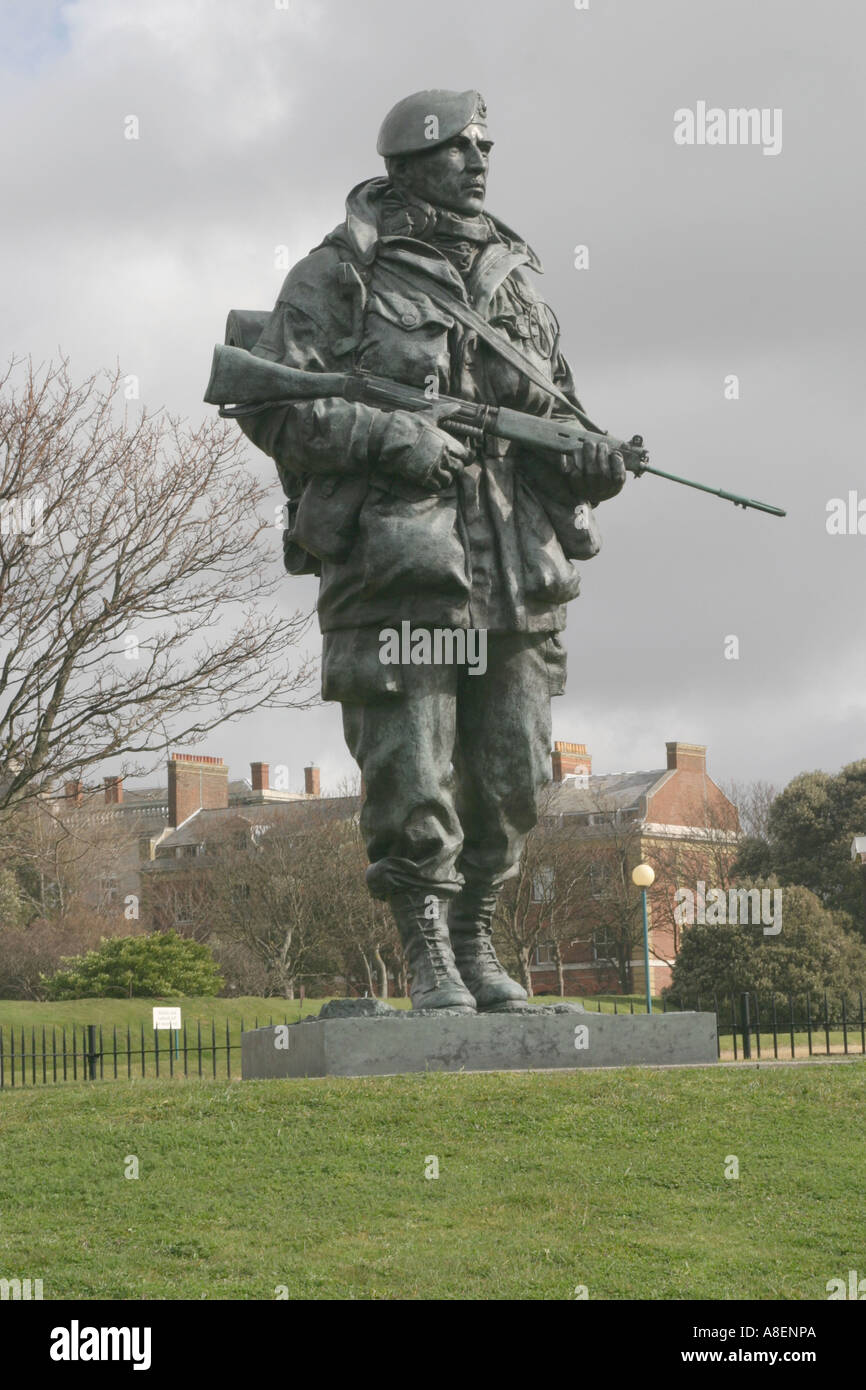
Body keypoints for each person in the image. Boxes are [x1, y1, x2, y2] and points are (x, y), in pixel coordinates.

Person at [236, 89, 626, 1012]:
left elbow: (556, 412)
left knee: (517, 771)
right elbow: (273, 402)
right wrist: (391, 439)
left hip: (518, 570)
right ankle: (429, 954)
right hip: (404, 568)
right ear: (407, 164)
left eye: (484, 147)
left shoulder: (518, 283)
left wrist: (591, 458)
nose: (479, 162)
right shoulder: (341, 275)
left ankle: (477, 940)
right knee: (411, 766)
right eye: (456, 148)